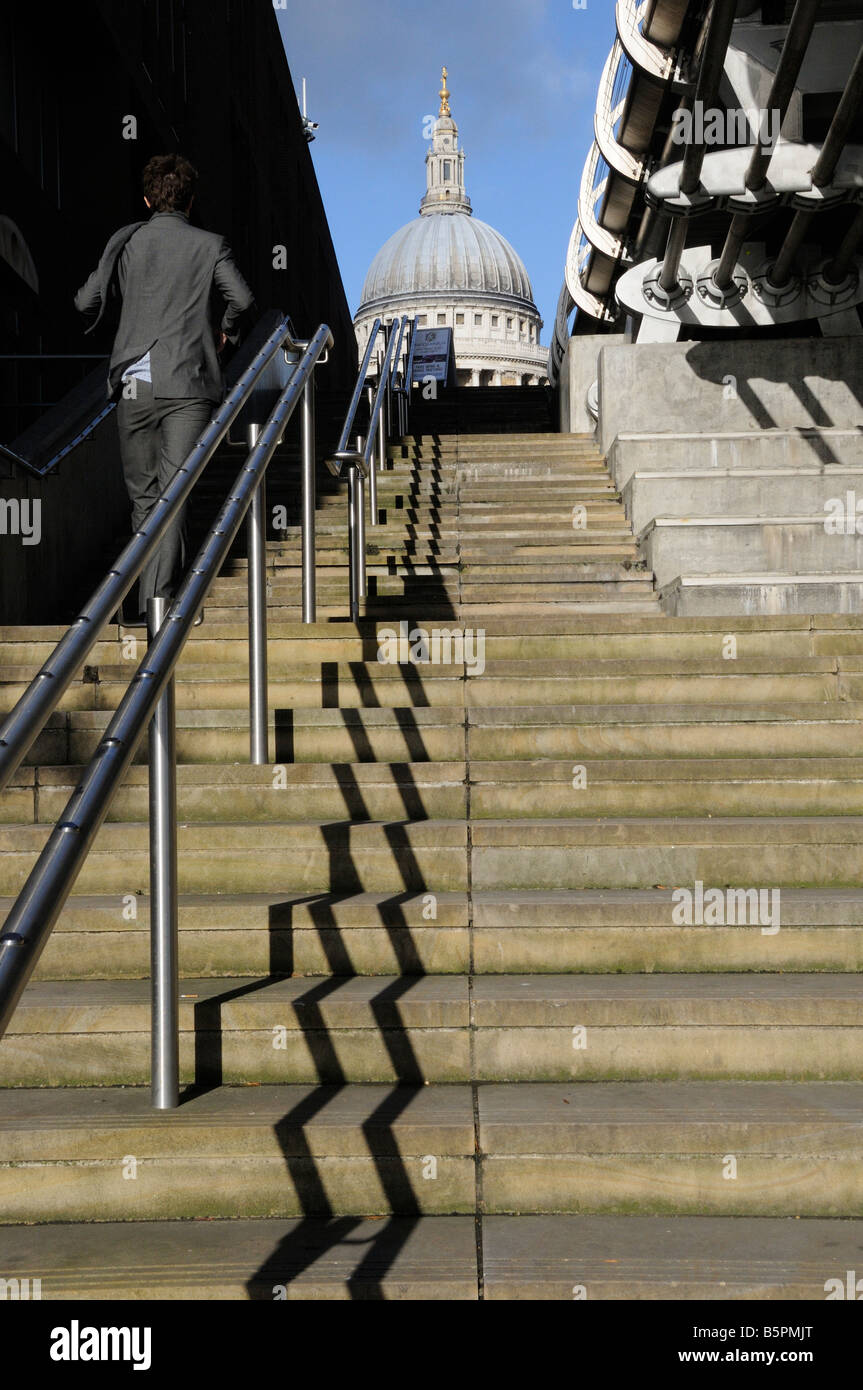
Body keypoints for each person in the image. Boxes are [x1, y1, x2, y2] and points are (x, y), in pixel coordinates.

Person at [74, 153, 255, 624]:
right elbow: (242, 299)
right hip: (188, 382)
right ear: (191, 202)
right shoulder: (211, 244)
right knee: (176, 493)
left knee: (143, 499)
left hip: (136, 381)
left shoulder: (127, 240)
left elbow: (84, 301)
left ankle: (144, 603)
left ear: (149, 198)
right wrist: (225, 332)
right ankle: (160, 600)